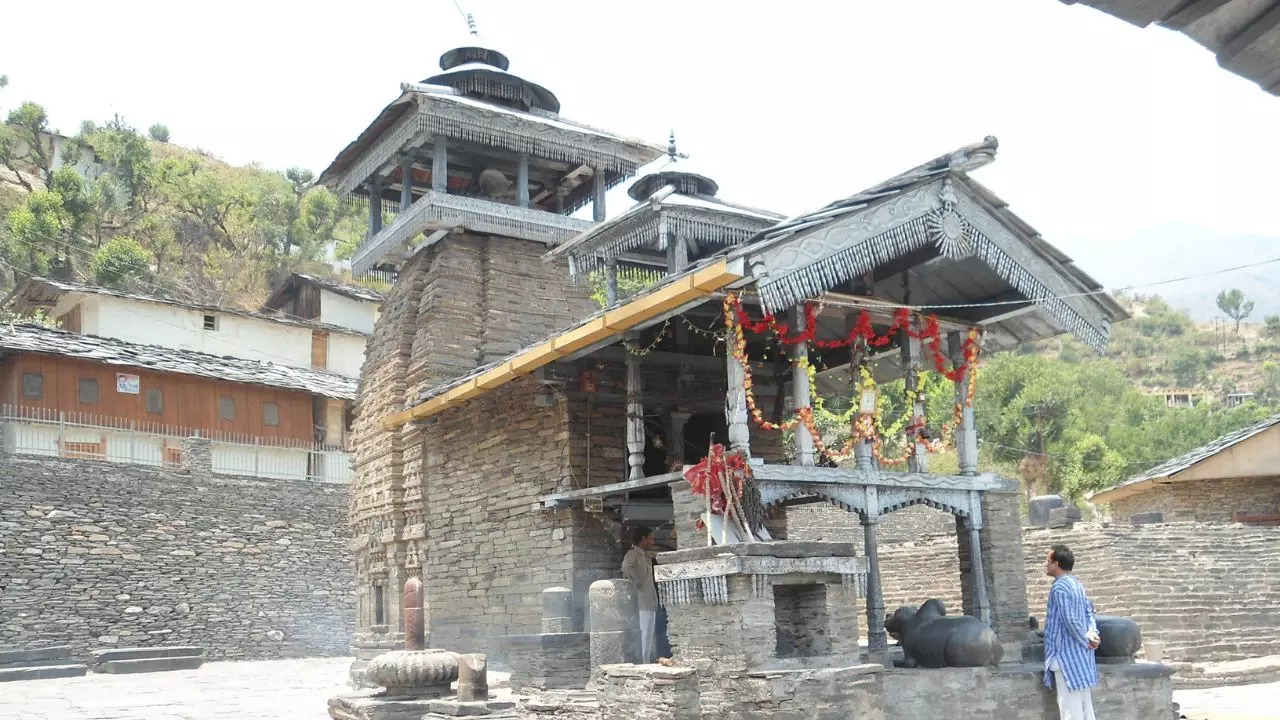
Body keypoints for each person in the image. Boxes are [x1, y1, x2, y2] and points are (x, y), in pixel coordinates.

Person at [1044, 544, 1101, 720]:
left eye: (1048, 561)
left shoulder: (1060, 587)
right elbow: (1089, 613)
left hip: (1065, 656)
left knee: (1070, 708)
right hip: (1082, 656)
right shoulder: (1077, 585)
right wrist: (1092, 635)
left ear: (1056, 563)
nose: (1045, 565)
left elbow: (1070, 620)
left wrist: (1086, 640)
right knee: (1085, 705)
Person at [621, 525, 658, 663]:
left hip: (650, 601)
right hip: (641, 602)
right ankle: (641, 663)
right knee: (642, 636)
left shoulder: (646, 557)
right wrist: (635, 584)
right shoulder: (633, 554)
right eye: (650, 539)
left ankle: (646, 662)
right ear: (643, 539)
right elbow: (625, 567)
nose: (652, 542)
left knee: (649, 636)